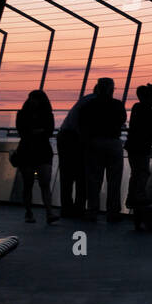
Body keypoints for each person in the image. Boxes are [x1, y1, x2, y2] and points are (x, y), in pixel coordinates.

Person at [78, 77, 127, 223]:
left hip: (95, 143)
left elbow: (82, 124)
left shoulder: (89, 105)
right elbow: (122, 120)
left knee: (93, 180)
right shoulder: (117, 105)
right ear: (111, 90)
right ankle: (113, 212)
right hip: (113, 143)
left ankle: (92, 211)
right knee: (114, 180)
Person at [14, 90, 59, 224]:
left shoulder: (22, 115)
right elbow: (48, 131)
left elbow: (23, 132)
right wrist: (40, 131)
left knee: (31, 183)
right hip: (42, 150)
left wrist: (32, 132)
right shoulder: (47, 115)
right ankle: (47, 212)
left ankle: (32, 212)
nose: (33, 101)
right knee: (40, 183)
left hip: (27, 150)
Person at [57, 88, 97, 216]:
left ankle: (67, 207)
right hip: (74, 139)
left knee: (67, 176)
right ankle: (78, 207)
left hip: (66, 137)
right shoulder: (93, 102)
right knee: (81, 175)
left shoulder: (87, 99)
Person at [125, 85, 152, 209]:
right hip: (140, 147)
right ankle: (137, 197)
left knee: (137, 173)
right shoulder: (146, 111)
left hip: (134, 146)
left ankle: (133, 197)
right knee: (141, 172)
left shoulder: (137, 108)